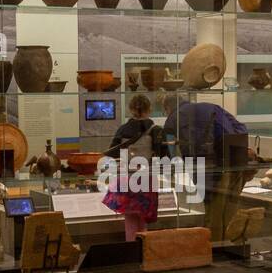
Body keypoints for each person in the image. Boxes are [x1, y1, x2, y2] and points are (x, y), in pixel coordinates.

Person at [162, 93, 251, 240]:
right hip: (234, 162)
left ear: (167, 107)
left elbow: (170, 155)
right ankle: (231, 245)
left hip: (206, 169)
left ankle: (213, 249)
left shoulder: (173, 118)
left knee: (212, 212)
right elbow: (240, 128)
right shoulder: (212, 107)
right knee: (229, 211)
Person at [101, 94, 166, 241]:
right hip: (146, 178)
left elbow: (112, 152)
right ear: (149, 109)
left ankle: (130, 245)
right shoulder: (156, 130)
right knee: (144, 217)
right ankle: (144, 249)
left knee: (129, 216)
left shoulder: (123, 129)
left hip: (127, 176)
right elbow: (163, 156)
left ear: (131, 109)